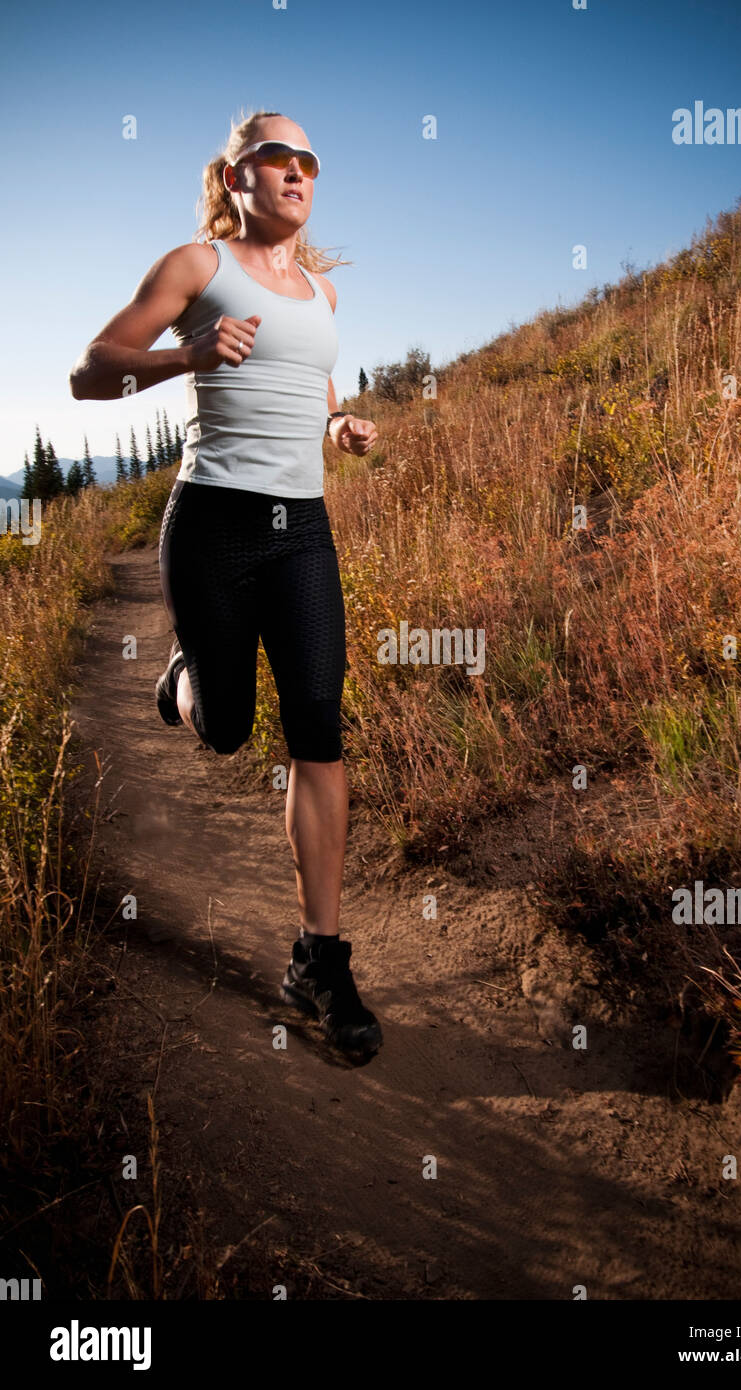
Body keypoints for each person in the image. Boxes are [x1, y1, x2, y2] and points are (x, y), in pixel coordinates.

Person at [69, 109, 382, 1058]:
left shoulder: (322, 295)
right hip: (212, 526)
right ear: (235, 176)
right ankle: (189, 675)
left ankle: (317, 959)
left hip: (303, 535)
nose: (296, 171)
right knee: (230, 730)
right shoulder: (197, 267)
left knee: (318, 730)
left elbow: (310, 386)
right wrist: (187, 358)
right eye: (274, 157)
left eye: (308, 160)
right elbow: (91, 373)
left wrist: (337, 428)